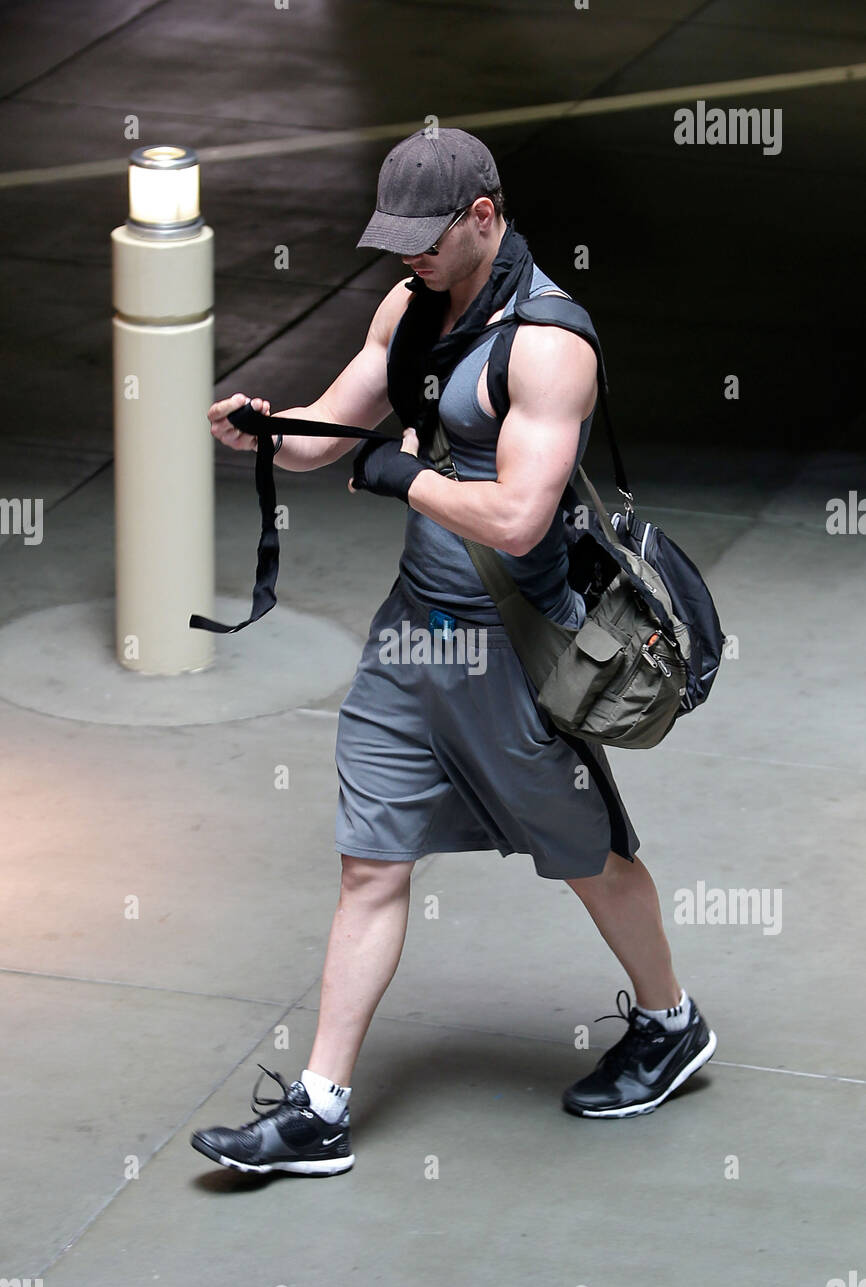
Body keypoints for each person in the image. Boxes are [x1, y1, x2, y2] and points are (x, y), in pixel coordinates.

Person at [191, 129, 716, 1178]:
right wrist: (265, 429)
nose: (406, 258)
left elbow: (520, 518)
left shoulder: (548, 342)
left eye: (422, 238)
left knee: (585, 856)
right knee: (369, 863)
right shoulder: (408, 303)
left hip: (513, 652)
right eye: (392, 242)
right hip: (408, 640)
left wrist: (401, 477)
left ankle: (669, 1022)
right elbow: (328, 436)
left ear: (484, 215)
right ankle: (319, 1109)